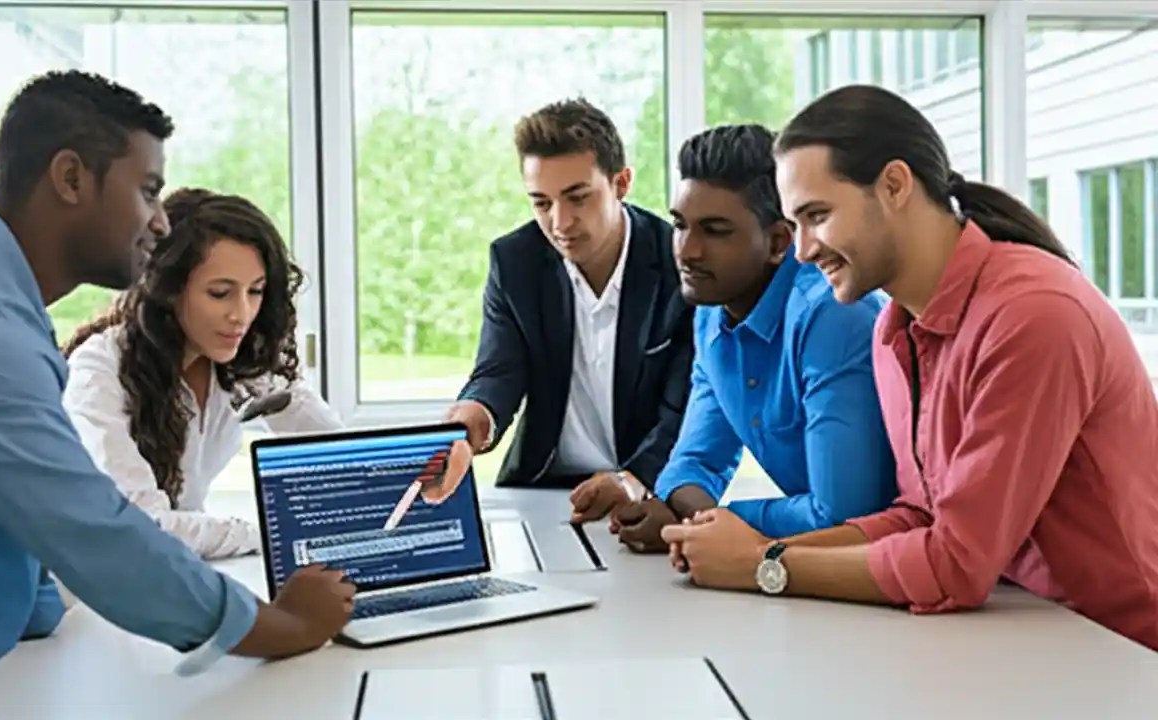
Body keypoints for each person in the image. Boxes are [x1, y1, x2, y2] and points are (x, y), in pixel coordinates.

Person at [0, 70, 353, 718]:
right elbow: (97, 534)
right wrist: (286, 627)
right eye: (148, 191)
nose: (160, 223)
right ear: (71, 178)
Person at [660, 84, 1158, 651]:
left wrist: (762, 563)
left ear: (895, 186)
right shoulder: (892, 329)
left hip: (1122, 651)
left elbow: (956, 564)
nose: (800, 251)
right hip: (1017, 632)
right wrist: (742, 546)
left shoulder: (1033, 315)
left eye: (817, 215)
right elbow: (919, 516)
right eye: (794, 223)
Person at [585, 124, 895, 553]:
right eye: (680, 225)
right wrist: (693, 521)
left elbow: (842, 514)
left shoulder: (834, 315)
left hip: (929, 582)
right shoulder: (712, 312)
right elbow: (693, 463)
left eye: (715, 231)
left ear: (778, 242)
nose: (687, 251)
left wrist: (711, 523)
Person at [61, 189, 342, 560]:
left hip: (176, 574)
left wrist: (428, 462)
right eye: (220, 293)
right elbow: (141, 527)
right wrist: (263, 534)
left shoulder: (240, 364)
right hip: (90, 588)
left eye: (255, 291)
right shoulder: (99, 371)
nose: (241, 314)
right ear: (170, 288)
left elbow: (333, 450)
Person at [445, 97, 693, 494]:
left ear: (621, 183)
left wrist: (633, 482)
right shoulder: (514, 262)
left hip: (647, 487)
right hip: (539, 487)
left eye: (578, 197)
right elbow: (499, 372)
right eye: (542, 203)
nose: (560, 223)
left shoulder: (677, 263)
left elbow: (682, 409)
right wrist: (472, 417)